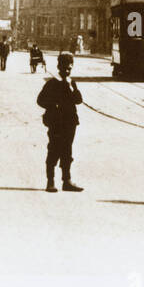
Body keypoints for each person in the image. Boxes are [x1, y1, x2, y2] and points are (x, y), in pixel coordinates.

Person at [37, 51, 83, 192]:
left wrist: (71, 87)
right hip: (56, 122)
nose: (67, 71)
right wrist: (53, 106)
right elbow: (40, 100)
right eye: (65, 68)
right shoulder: (52, 83)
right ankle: (50, 182)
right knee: (54, 150)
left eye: (70, 68)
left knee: (67, 151)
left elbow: (78, 100)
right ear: (59, 66)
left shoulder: (71, 83)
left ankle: (66, 181)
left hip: (70, 122)